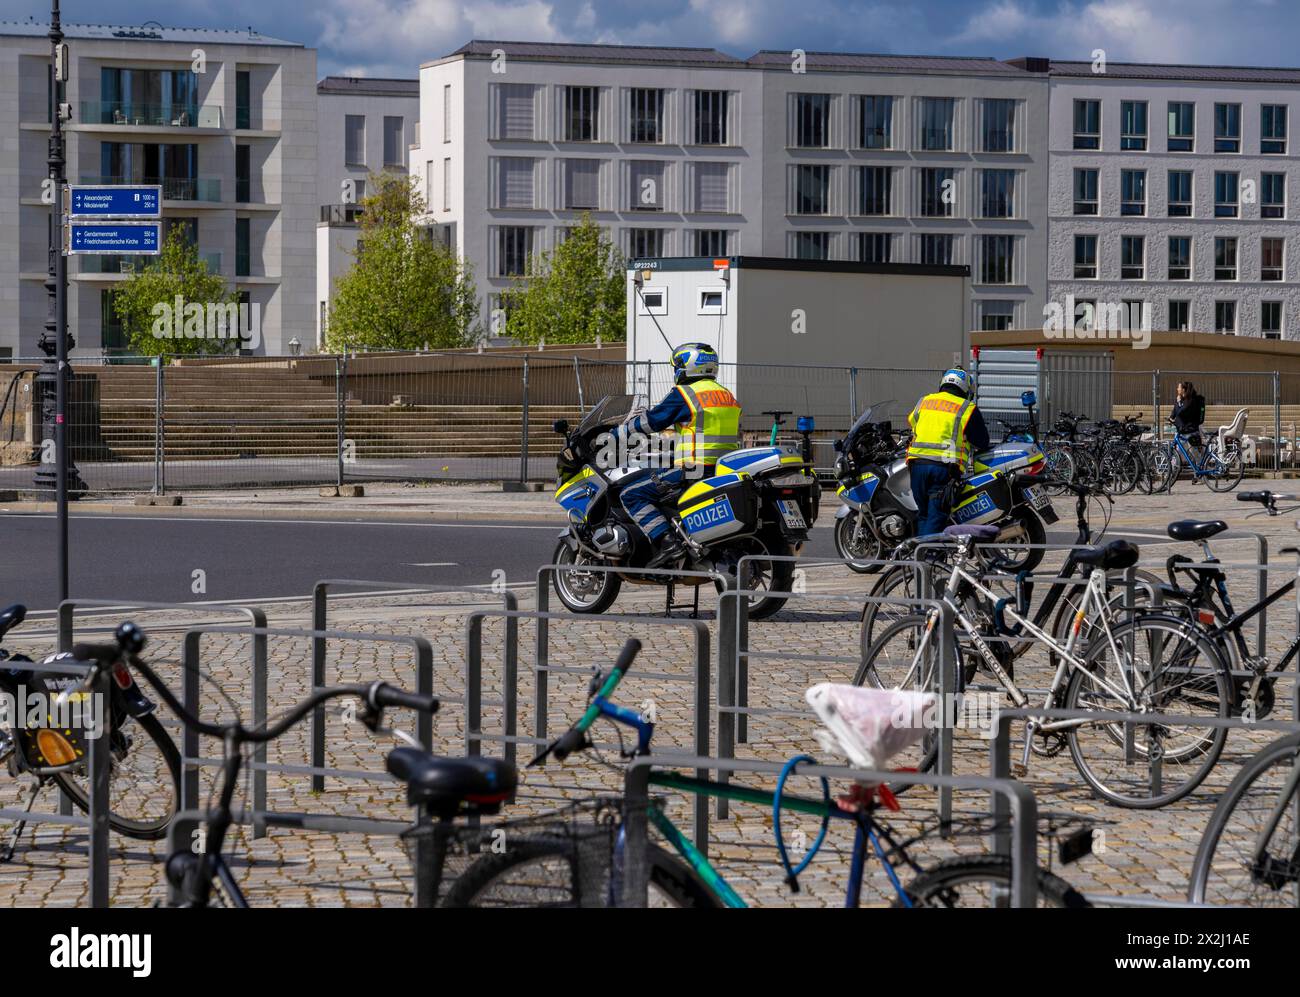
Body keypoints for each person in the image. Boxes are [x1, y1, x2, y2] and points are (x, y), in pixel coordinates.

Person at [612, 343, 741, 568]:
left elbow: (651, 421)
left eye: (677, 367)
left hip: (693, 470)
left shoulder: (686, 393)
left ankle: (668, 543)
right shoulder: (725, 394)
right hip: (722, 471)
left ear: (686, 367)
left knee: (631, 494)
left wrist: (617, 432)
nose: (675, 372)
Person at [905, 367, 990, 538]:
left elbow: (912, 422)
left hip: (917, 466)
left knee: (924, 515)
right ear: (966, 388)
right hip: (944, 469)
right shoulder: (966, 407)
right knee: (937, 517)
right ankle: (929, 559)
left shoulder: (924, 401)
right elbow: (982, 441)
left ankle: (919, 558)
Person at [1171, 380, 1207, 453]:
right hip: (1188, 430)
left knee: (1179, 452)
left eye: (1179, 387)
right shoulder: (1185, 400)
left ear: (1183, 390)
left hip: (1188, 431)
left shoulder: (1190, 401)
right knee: (1182, 452)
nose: (1177, 389)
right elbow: (1174, 413)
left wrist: (1179, 403)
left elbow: (1180, 412)